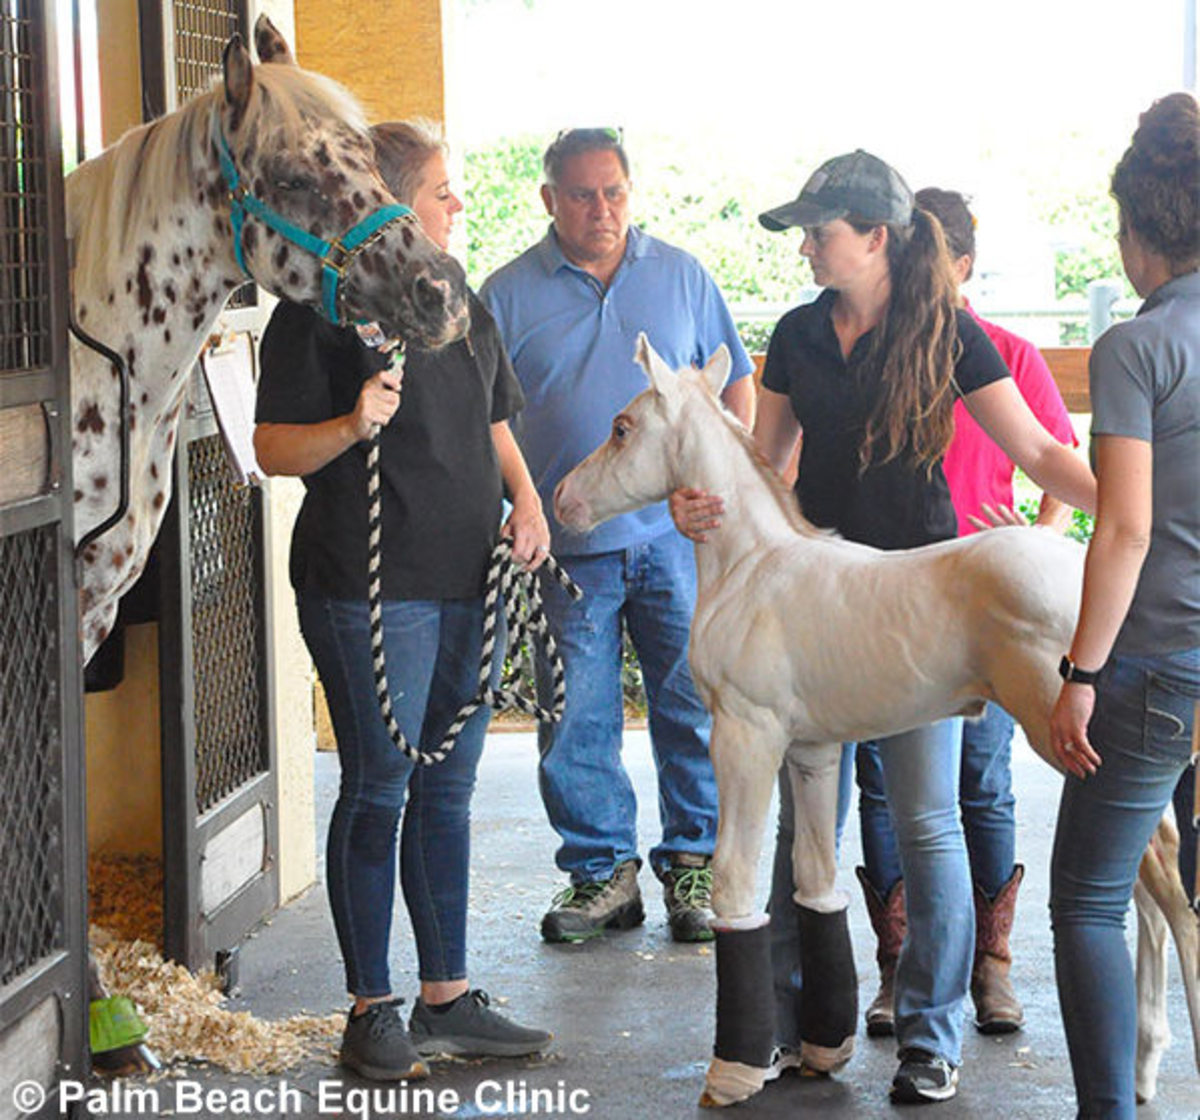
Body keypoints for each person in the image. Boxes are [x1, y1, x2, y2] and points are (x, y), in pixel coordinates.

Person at [672, 149, 1095, 1103]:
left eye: (821, 231)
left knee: (924, 823)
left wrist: (1131, 518)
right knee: (800, 827)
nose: (808, 248)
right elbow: (769, 472)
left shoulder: (950, 334)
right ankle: (794, 1027)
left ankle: (931, 1037)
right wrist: (696, 509)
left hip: (917, 602)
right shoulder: (794, 334)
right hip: (813, 606)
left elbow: (1034, 447)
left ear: (877, 237)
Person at [253, 119, 552, 1082]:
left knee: (448, 792)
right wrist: (350, 422)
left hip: (468, 578)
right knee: (380, 788)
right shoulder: (318, 310)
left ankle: (446, 997)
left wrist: (530, 502)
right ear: (390, 202)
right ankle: (369, 1008)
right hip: (367, 590)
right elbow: (271, 450)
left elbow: (494, 419)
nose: (456, 205)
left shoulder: (459, 298)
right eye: (442, 189)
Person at [480, 127, 755, 945]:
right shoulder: (505, 293)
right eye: (580, 194)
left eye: (613, 192)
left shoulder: (682, 276)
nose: (600, 210)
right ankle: (601, 872)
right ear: (547, 199)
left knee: (691, 703)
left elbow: (735, 384)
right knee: (577, 714)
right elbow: (485, 416)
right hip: (566, 549)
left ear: (629, 192)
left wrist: (723, 490)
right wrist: (517, 505)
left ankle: (694, 864)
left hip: (677, 541)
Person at [851, 186, 1080, 1041]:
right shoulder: (877, 351)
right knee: (889, 785)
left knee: (981, 785)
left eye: (934, 259)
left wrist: (1038, 539)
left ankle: (992, 964)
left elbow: (1053, 458)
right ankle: (897, 963)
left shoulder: (1005, 353)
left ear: (964, 266)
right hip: (902, 604)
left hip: (991, 606)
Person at [1048, 91, 1199, 1119]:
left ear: (1141, 231)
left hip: (1152, 661)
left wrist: (1079, 675)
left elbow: (1126, 529)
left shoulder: (1135, 347)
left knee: (1089, 902)